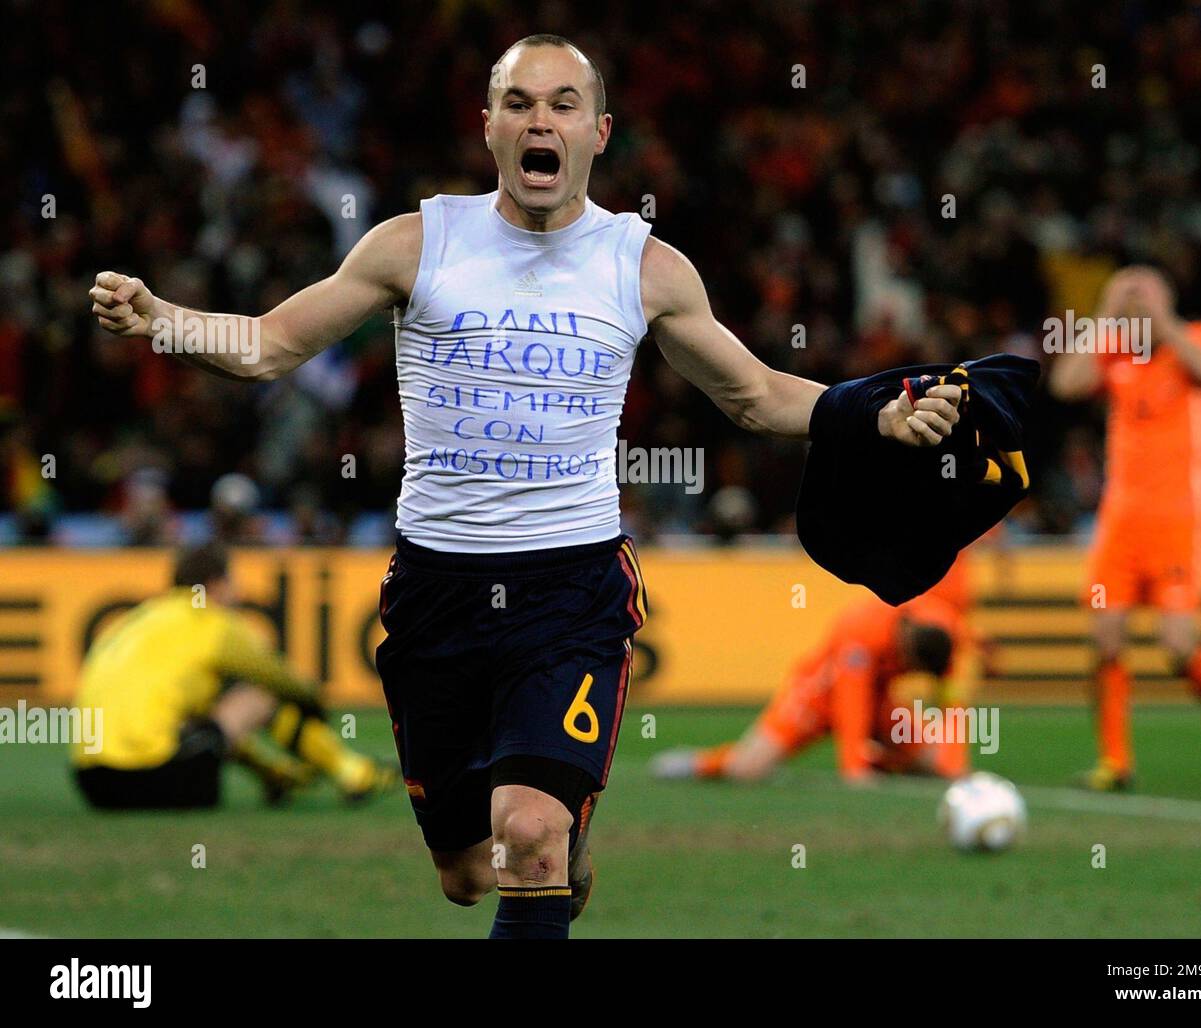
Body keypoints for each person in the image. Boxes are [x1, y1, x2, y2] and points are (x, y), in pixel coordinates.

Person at [88, 34, 963, 937]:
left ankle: (551, 835)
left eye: (562, 104)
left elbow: (755, 394)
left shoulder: (645, 265)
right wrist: (164, 320)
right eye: (519, 103)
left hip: (571, 591)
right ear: (489, 127)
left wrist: (876, 415)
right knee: (469, 872)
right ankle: (553, 853)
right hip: (438, 594)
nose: (539, 120)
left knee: (530, 834)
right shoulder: (415, 244)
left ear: (599, 132)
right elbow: (271, 345)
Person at [1049, 265, 1201, 790]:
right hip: (1121, 520)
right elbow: (1066, 384)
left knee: (1178, 645)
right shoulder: (1117, 349)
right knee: (1105, 637)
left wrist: (1162, 317)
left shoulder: (1197, 339)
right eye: (1129, 295)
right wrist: (1102, 313)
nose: (1137, 305)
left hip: (1181, 517)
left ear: (1168, 299)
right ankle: (1116, 762)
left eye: (1146, 294)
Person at [71, 542, 396, 809]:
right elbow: (284, 680)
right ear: (216, 584)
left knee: (201, 714)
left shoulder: (132, 621)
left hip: (94, 785)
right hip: (159, 780)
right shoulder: (213, 623)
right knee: (258, 696)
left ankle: (275, 776)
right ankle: (352, 772)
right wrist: (315, 706)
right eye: (232, 581)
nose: (237, 592)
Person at [650, 590, 974, 785]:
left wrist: (956, 765)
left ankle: (884, 764)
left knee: (937, 765)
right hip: (819, 694)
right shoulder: (863, 628)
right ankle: (704, 762)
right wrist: (853, 768)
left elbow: (953, 703)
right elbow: (851, 700)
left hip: (879, 701)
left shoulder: (946, 633)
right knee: (747, 770)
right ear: (905, 642)